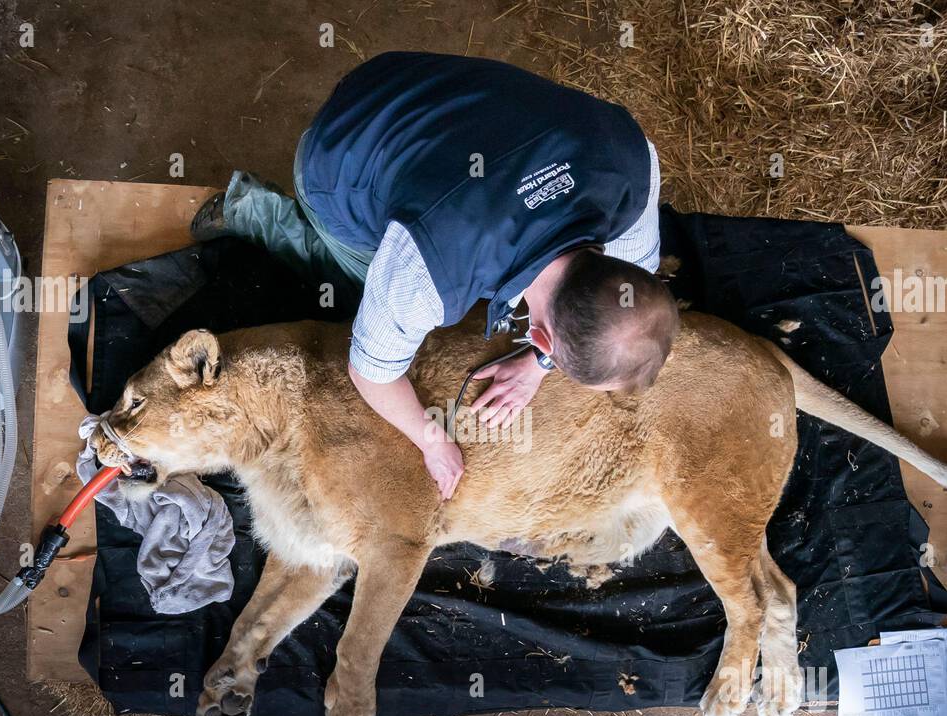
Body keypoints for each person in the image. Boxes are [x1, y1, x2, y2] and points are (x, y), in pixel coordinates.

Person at [191, 51, 678, 498]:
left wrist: (537, 366)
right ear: (540, 336)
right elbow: (372, 372)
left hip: (417, 82)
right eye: (550, 355)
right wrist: (432, 441)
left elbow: (637, 272)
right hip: (340, 149)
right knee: (358, 282)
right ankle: (253, 210)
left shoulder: (629, 160)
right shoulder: (428, 272)